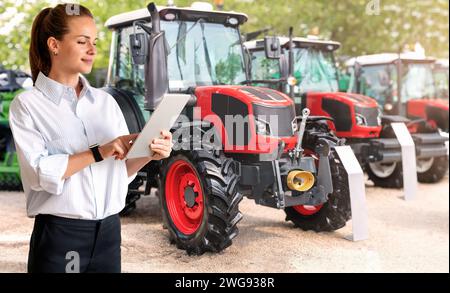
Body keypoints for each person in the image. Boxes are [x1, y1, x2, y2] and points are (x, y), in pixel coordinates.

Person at [9, 3, 173, 273]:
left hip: (109, 233)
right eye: (82, 41)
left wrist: (148, 152)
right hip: (61, 237)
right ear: (54, 44)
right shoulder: (27, 105)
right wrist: (99, 151)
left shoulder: (106, 103)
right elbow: (39, 173)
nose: (93, 49)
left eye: (94, 41)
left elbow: (119, 171)